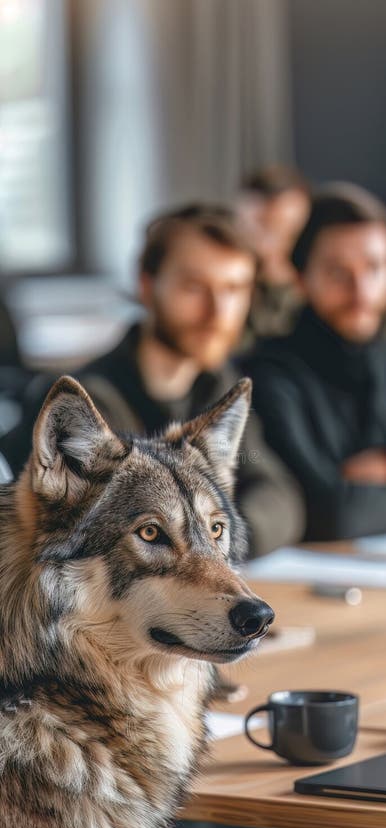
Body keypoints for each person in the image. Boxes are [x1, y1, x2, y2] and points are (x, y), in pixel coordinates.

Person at [3, 204, 304, 558]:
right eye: (194, 287)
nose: (218, 312)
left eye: (234, 288)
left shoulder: (219, 386)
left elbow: (279, 495)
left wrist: (213, 543)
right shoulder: (90, 405)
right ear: (147, 285)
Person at [243, 183, 386, 541]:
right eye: (338, 272)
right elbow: (330, 512)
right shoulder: (268, 373)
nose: (361, 292)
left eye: (374, 268)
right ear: (301, 279)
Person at [234, 166, 311, 341]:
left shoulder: (308, 294)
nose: (267, 242)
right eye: (260, 224)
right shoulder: (220, 283)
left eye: (280, 229)